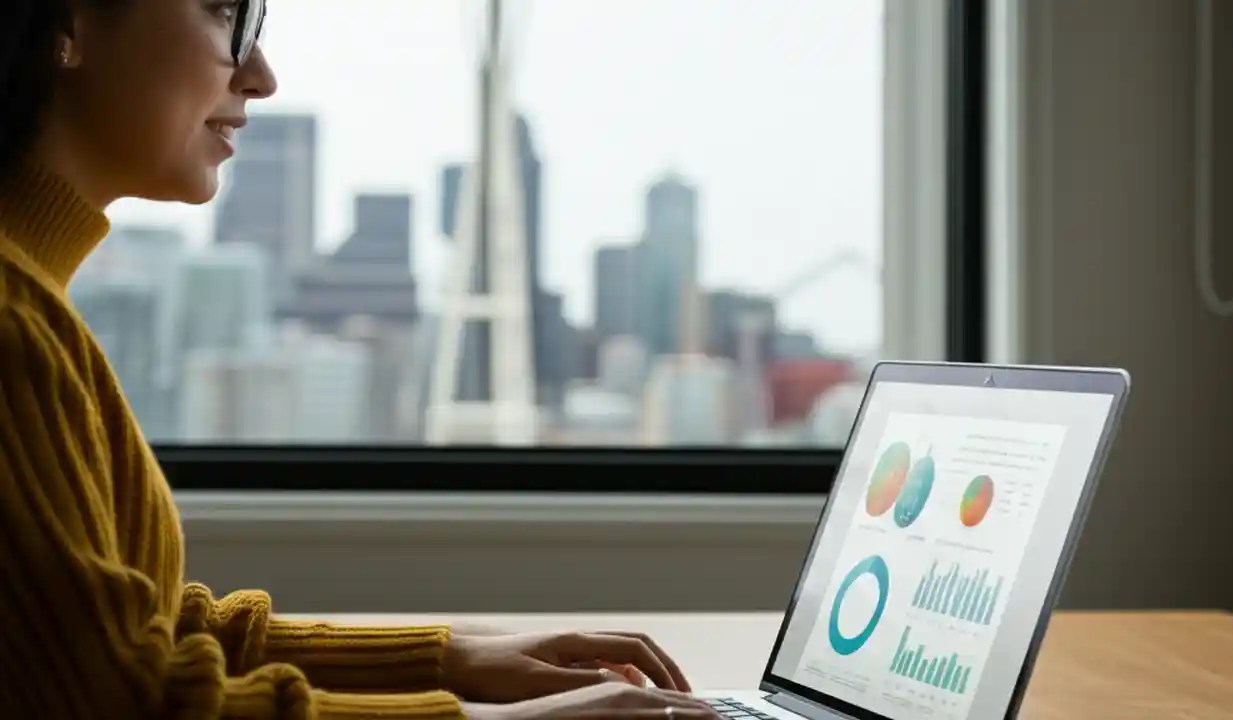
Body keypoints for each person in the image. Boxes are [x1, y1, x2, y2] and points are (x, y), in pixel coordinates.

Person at [0, 1, 720, 718]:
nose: (260, 75)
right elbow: (129, 703)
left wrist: (450, 658)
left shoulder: (34, 301)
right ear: (69, 25)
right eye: (224, 16)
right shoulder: (13, 324)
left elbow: (130, 631)